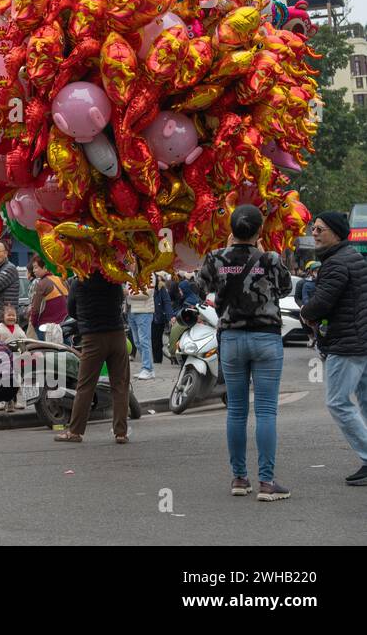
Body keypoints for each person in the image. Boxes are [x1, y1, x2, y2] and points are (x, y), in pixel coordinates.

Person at [196, 204, 293, 500]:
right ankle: (266, 483)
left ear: (231, 230)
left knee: (236, 412)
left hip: (232, 339)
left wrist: (226, 258)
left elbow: (201, 288)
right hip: (266, 338)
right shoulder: (270, 258)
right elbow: (286, 288)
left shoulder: (215, 258)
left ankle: (239, 479)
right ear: (259, 231)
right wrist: (260, 253)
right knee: (266, 411)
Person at [300, 210, 367, 488]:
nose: (314, 233)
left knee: (337, 402)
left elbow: (322, 303)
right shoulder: (353, 258)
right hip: (360, 340)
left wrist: (305, 312)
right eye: (313, 228)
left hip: (347, 342)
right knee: (363, 400)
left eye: (319, 229)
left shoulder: (337, 263)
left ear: (336, 233)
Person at [54, 271, 131, 444]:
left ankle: (75, 432)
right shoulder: (113, 278)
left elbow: (71, 309)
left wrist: (86, 316)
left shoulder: (78, 282)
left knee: (86, 386)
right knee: (120, 385)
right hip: (117, 334)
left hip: (92, 337)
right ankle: (121, 433)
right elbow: (119, 300)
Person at [25, 254, 68, 338]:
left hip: (46, 328)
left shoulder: (41, 284)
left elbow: (35, 309)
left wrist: (33, 324)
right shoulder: (61, 280)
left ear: (44, 267)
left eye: (36, 267)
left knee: (44, 350)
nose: (34, 270)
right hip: (63, 325)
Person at [128, 281, 156, 380]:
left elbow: (147, 293)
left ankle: (147, 369)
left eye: (130, 263)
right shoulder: (130, 274)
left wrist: (128, 293)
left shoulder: (148, 272)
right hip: (131, 311)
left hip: (144, 312)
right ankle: (149, 369)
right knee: (138, 342)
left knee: (144, 341)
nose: (128, 265)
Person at [151, 272, 172, 366]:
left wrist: (170, 316)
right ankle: (155, 360)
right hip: (149, 316)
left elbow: (167, 302)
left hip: (158, 317)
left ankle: (157, 361)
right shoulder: (147, 287)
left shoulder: (161, 288)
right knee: (152, 340)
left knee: (157, 340)